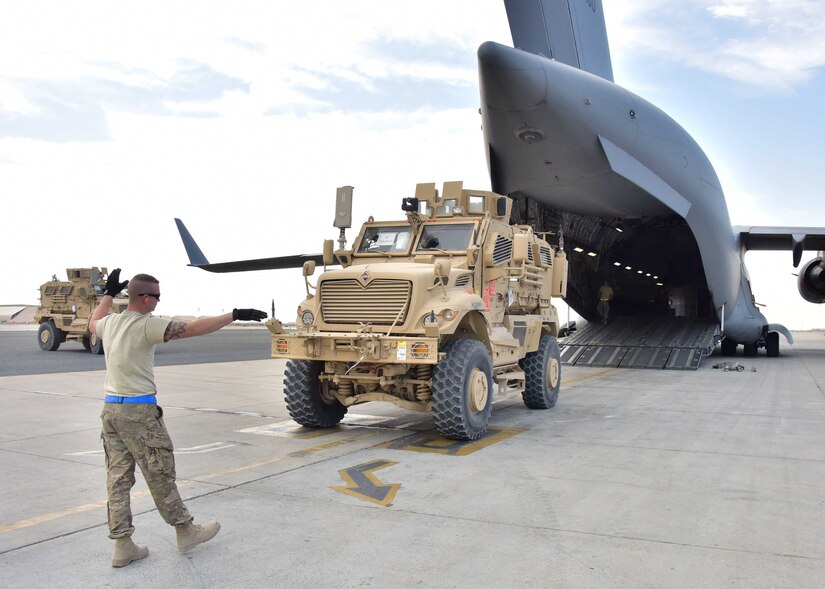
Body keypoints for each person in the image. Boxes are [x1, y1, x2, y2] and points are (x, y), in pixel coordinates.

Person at [89, 269, 267, 568]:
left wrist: (107, 294)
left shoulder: (110, 324)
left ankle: (122, 545)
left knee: (118, 479)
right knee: (160, 475)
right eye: (156, 296)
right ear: (144, 298)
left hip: (111, 411)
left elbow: (92, 322)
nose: (159, 301)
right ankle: (185, 531)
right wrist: (234, 314)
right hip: (139, 413)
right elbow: (194, 328)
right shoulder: (146, 325)